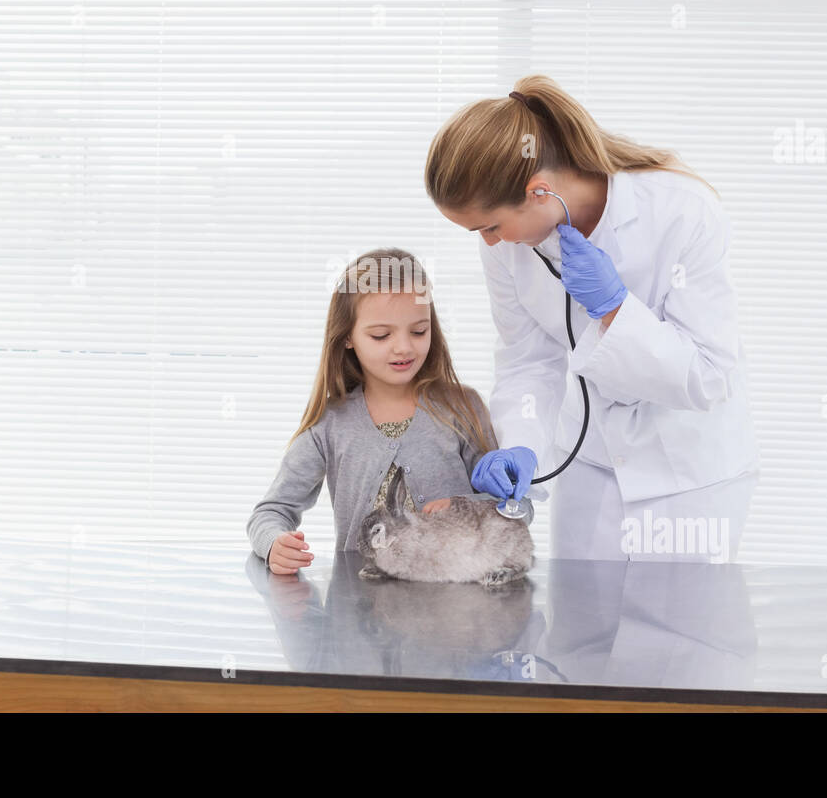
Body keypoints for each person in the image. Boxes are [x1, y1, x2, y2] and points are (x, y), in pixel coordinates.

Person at [424, 74, 760, 563]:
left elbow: (708, 376)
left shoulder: (681, 211)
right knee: (579, 635)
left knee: (683, 637)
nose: (490, 241)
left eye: (491, 226)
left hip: (689, 480)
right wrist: (519, 445)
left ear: (539, 191)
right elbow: (527, 361)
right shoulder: (507, 247)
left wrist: (615, 308)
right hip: (590, 469)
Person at [247, 247, 524, 575]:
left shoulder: (461, 408)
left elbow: (514, 510)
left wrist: (463, 508)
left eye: (419, 331)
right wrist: (275, 543)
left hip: (452, 608)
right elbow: (271, 512)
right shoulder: (329, 424)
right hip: (359, 608)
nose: (404, 347)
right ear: (347, 336)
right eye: (381, 335)